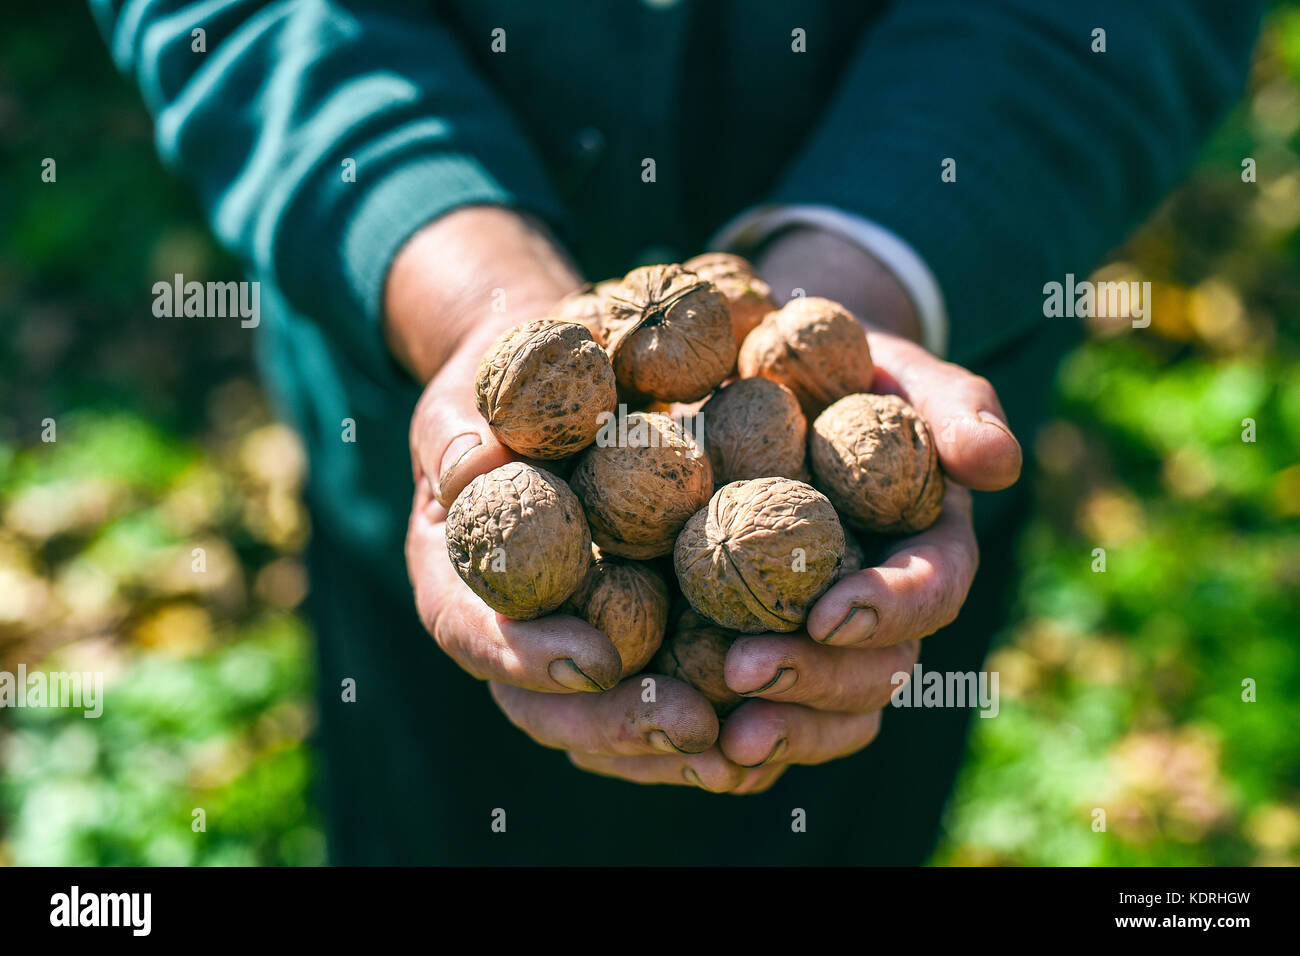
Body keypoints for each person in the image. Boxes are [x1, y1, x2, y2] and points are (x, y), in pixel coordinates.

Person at [90, 0, 1262, 864]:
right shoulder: (524, 458)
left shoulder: (820, 443)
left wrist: (873, 264)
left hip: (922, 375)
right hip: (402, 417)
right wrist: (461, 281)